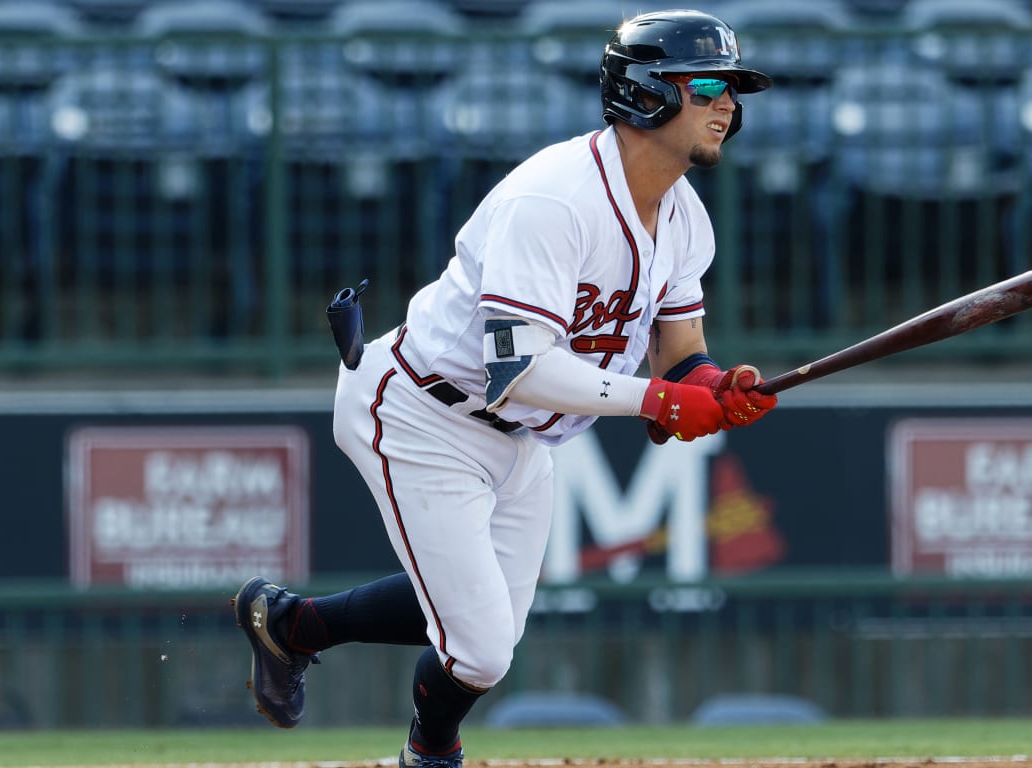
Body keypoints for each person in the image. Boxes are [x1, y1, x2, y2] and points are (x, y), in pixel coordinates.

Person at [233, 10, 779, 767]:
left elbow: (680, 355)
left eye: (734, 90)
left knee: (483, 631)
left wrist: (718, 387)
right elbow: (518, 366)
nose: (728, 105)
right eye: (709, 86)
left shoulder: (686, 217)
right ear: (648, 94)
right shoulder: (554, 199)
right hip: (426, 409)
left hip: (525, 434)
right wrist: (659, 401)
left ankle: (291, 626)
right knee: (482, 650)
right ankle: (430, 755)